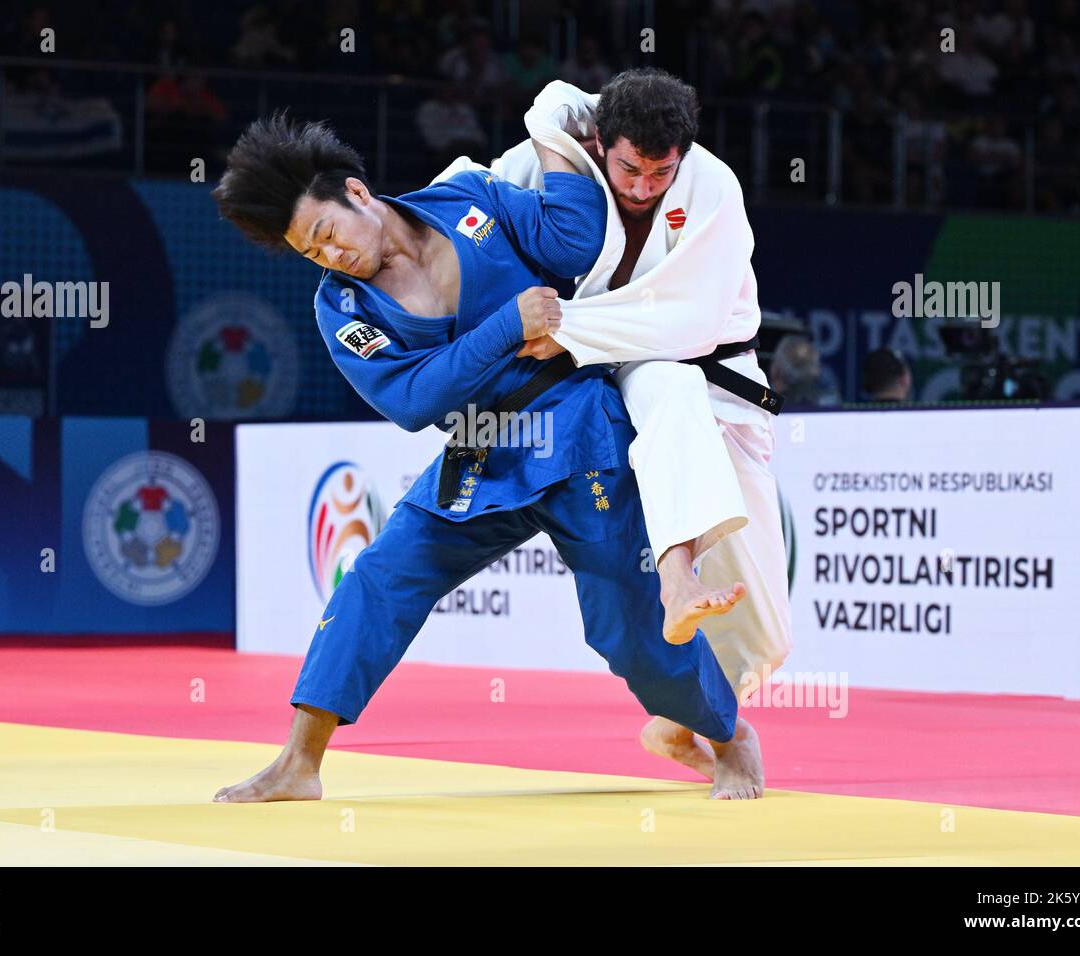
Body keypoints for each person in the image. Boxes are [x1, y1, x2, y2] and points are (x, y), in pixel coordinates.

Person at [209, 113, 753, 803]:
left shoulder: (471, 197)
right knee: (379, 577)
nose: (331, 256)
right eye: (311, 253)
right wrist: (508, 324)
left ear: (357, 193)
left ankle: (731, 736)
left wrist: (557, 139)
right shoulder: (341, 305)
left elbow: (574, 241)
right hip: (478, 448)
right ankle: (298, 763)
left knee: (626, 628)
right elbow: (413, 398)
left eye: (327, 234)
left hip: (579, 424)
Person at [468, 70, 793, 797]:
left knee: (769, 636)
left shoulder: (713, 188)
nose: (643, 186)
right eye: (629, 169)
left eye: (660, 172)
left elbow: (689, 323)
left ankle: (677, 724)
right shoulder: (560, 157)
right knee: (665, 386)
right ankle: (692, 644)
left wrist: (565, 327)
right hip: (618, 377)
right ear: (598, 142)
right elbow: (473, 198)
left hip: (713, 377)